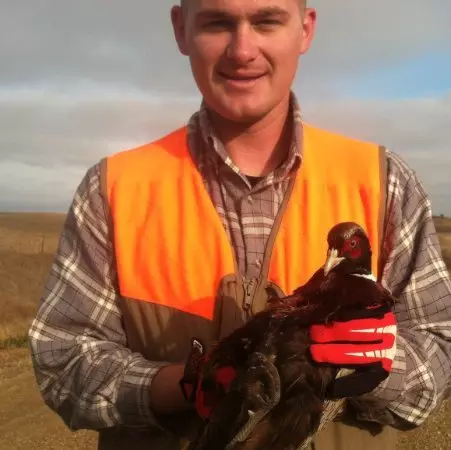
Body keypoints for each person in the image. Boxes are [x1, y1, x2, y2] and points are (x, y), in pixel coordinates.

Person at [28, 1, 451, 449]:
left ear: (305, 30)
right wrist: (188, 386)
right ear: (180, 29)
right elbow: (63, 360)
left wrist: (374, 366)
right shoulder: (113, 188)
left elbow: (438, 350)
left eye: (267, 21)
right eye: (217, 23)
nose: (242, 50)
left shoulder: (384, 182)